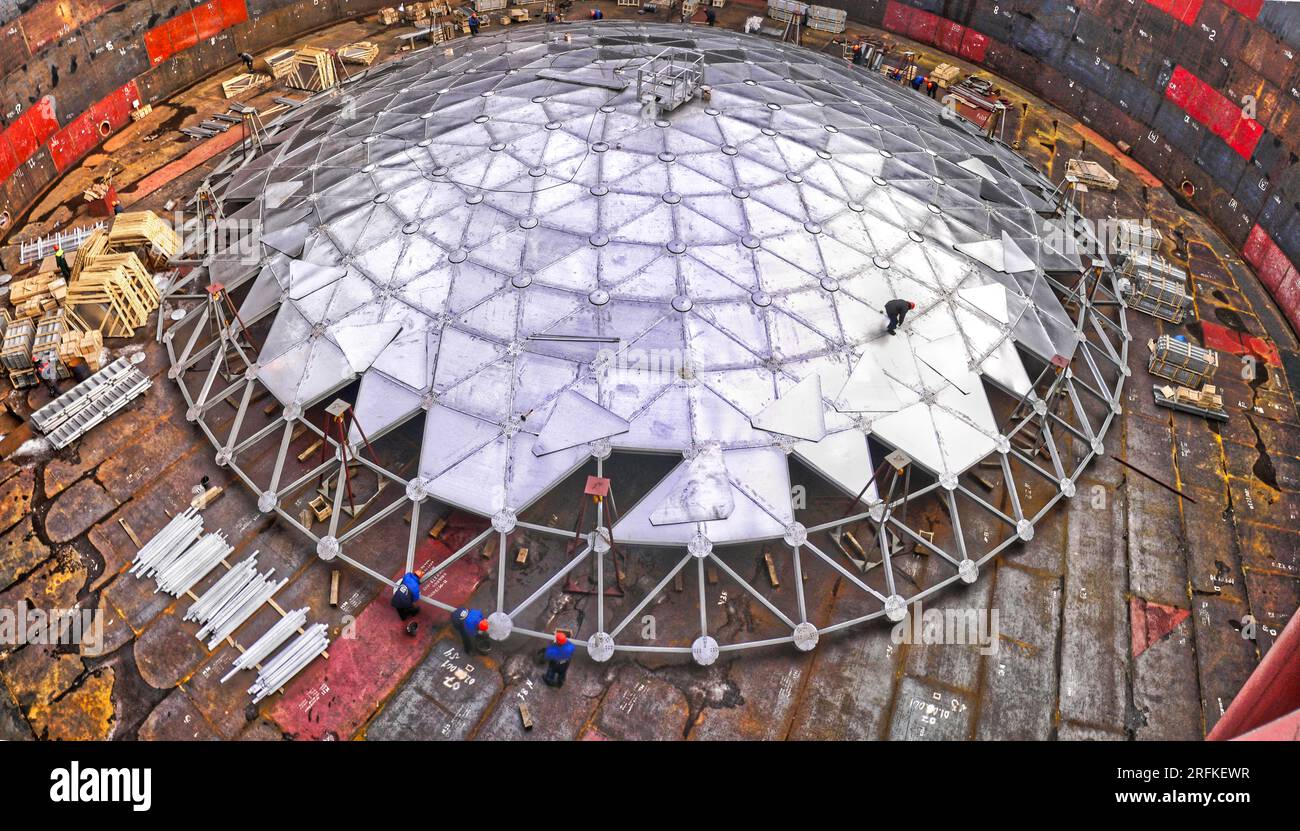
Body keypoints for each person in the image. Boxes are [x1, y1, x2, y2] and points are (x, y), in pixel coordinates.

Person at [390, 570, 423, 634]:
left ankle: (403, 617)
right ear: (420, 578)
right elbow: (415, 599)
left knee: (399, 609)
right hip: (405, 603)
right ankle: (414, 613)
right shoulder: (416, 587)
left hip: (395, 599)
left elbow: (408, 574)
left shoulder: (407, 577)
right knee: (412, 608)